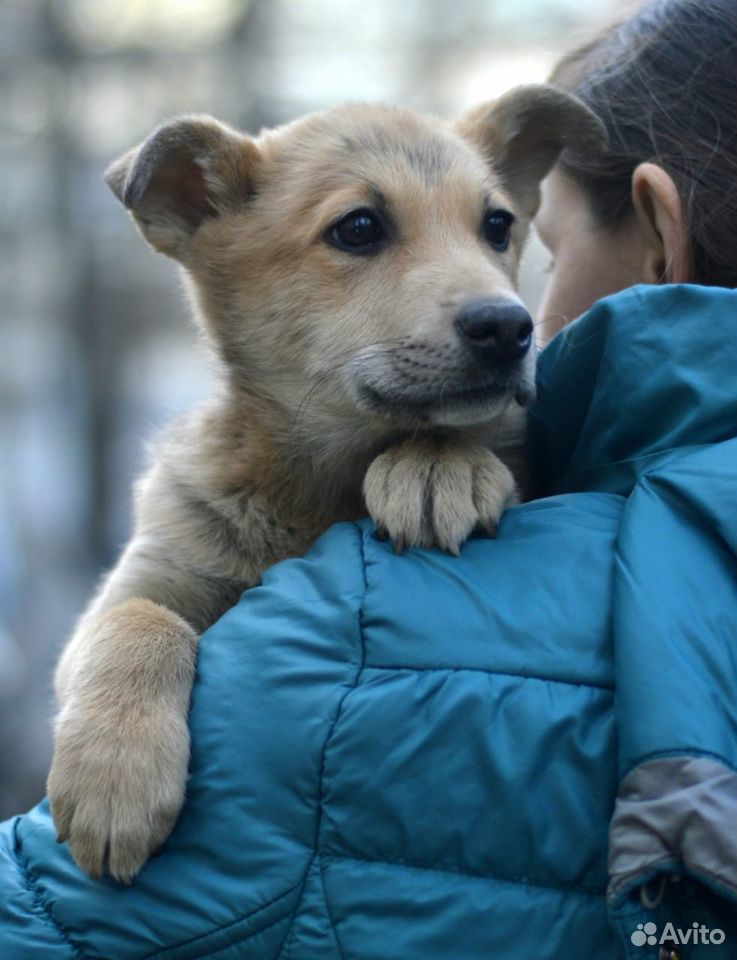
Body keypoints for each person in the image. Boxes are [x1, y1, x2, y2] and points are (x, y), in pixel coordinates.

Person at [2, 0, 736, 956]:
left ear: (659, 237)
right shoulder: (202, 500)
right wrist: (133, 665)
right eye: (359, 232)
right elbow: (147, 600)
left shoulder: (567, 497)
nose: (494, 298)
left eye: (499, 232)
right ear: (192, 207)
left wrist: (449, 448)